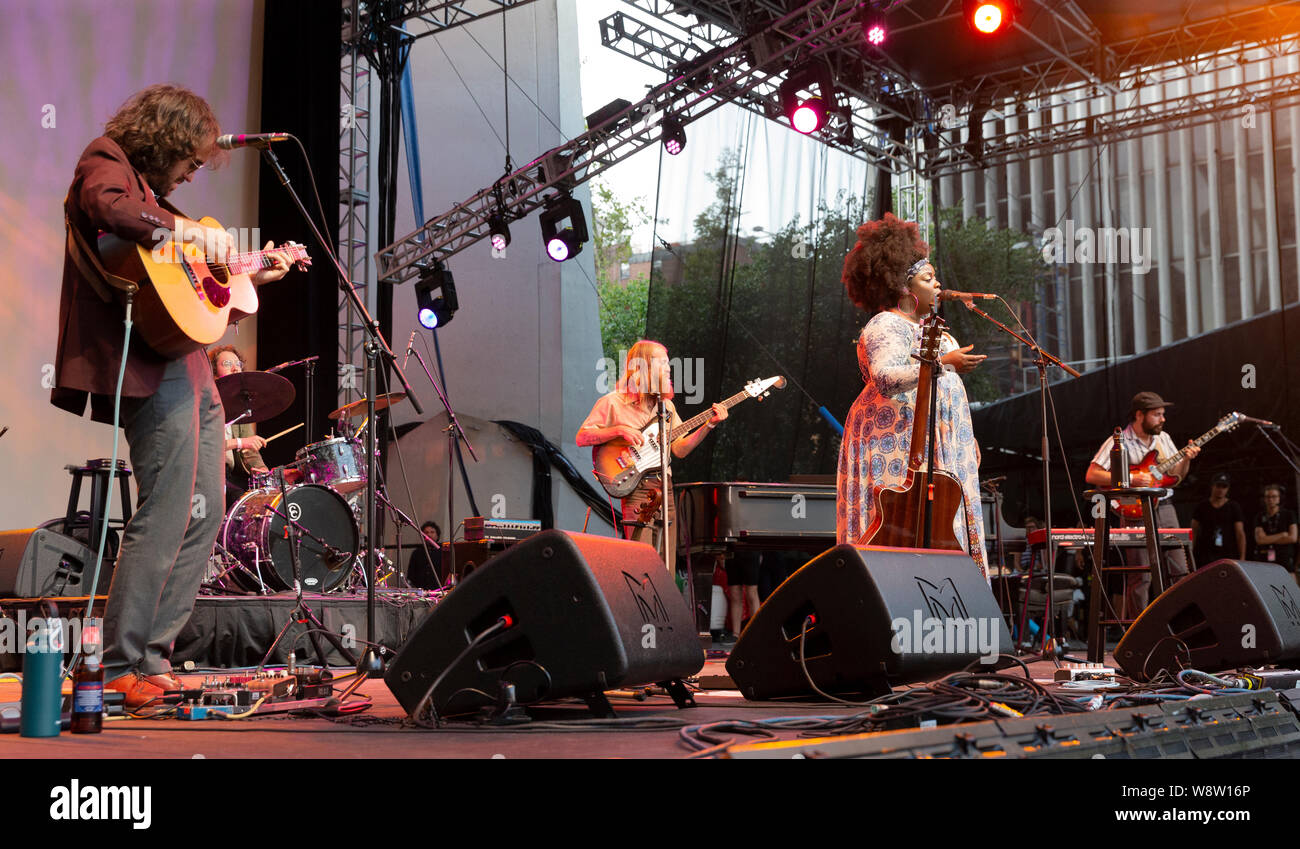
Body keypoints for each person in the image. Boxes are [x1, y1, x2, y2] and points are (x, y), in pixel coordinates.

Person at [51, 85, 295, 707]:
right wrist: (190, 234)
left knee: (205, 510)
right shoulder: (104, 160)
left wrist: (246, 276)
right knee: (165, 510)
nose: (190, 174)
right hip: (151, 373)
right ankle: (115, 665)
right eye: (188, 159)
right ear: (166, 139)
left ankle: (153, 654)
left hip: (191, 369)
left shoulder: (157, 201)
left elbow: (188, 305)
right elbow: (107, 208)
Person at [835, 213, 989, 579]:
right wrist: (942, 362)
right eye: (928, 278)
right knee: (900, 533)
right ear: (905, 288)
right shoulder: (887, 325)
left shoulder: (931, 330)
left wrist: (965, 439)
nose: (937, 284)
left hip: (940, 448)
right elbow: (886, 379)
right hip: (895, 445)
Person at [576, 339, 726, 550]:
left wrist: (708, 426)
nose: (668, 368)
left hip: (665, 486)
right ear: (643, 366)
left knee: (666, 560)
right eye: (662, 362)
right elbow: (582, 437)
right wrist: (619, 430)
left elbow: (679, 449)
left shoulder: (667, 407)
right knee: (641, 559)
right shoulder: (613, 402)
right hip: (637, 487)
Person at [1084, 391, 1200, 616]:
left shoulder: (1163, 438)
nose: (1162, 419)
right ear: (1140, 415)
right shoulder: (1119, 440)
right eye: (1157, 414)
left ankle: (1181, 625)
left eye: (1163, 414)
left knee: (1179, 569)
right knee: (1140, 575)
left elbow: (1176, 478)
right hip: (1133, 511)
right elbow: (1092, 475)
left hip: (1164, 507)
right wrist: (1130, 479)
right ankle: (1139, 635)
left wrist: (1186, 459)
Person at [208, 345, 269, 503]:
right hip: (208, 475)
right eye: (227, 364)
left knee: (264, 499)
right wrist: (240, 442)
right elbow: (204, 446)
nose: (235, 369)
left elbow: (250, 451)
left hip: (231, 476)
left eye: (238, 364)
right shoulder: (204, 404)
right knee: (240, 500)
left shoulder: (239, 407)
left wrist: (262, 470)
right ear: (213, 373)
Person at [1190, 472, 1246, 567]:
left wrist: (1242, 557)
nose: (1221, 490)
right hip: (1205, 552)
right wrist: (1190, 553)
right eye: (1218, 486)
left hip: (1228, 552)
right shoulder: (1202, 506)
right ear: (1212, 486)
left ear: (1228, 489)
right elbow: (1193, 531)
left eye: (1224, 487)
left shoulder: (1233, 506)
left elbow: (1240, 533)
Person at [1253, 484, 1298, 576]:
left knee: (1290, 585)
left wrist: (1267, 538)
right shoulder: (1260, 516)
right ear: (1264, 499)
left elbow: (1293, 538)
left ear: (1279, 498)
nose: (1270, 499)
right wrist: (1282, 535)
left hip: (1284, 557)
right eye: (1268, 497)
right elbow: (1260, 540)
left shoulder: (1289, 514)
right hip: (1265, 557)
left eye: (1274, 496)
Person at [406, 520, 443, 590]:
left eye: (432, 532)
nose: (429, 535)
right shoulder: (416, 553)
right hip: (420, 591)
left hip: (438, 591)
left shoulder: (442, 552)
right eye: (426, 532)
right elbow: (411, 576)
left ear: (437, 535)